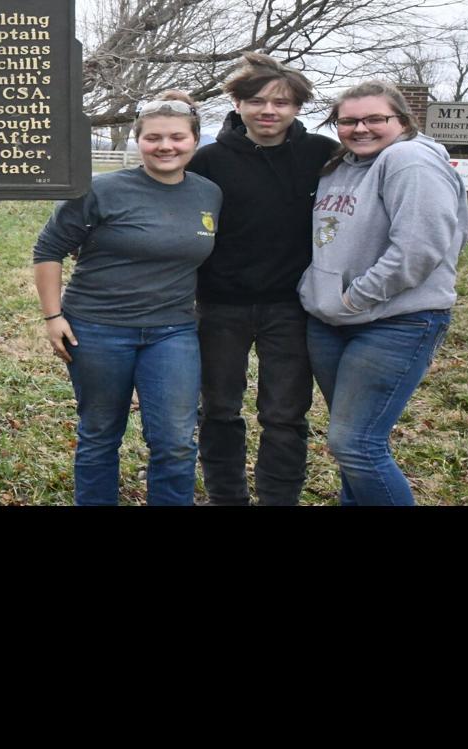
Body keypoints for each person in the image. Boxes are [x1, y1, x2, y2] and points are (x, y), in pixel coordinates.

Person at [33, 90, 221, 505]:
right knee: (100, 434)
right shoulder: (100, 191)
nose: (166, 146)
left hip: (172, 331)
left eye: (177, 137)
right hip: (97, 330)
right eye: (154, 137)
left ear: (194, 140)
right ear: (138, 140)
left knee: (174, 440)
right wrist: (53, 317)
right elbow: (48, 249)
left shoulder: (209, 194)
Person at [300, 81, 468, 506]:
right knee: (351, 445)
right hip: (330, 320)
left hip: (396, 321)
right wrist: (325, 297)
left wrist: (355, 297)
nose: (361, 128)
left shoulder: (410, 160)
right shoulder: (341, 164)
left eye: (376, 118)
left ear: (403, 120)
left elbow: (420, 248)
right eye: (349, 120)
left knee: (356, 444)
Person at [185, 53, 337, 506]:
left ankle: (278, 498)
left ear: (297, 108)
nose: (269, 111)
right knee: (218, 410)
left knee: (285, 414)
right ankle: (226, 496)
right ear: (237, 103)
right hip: (219, 305)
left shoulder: (322, 156)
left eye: (282, 102)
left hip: (291, 307)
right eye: (257, 101)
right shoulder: (208, 160)